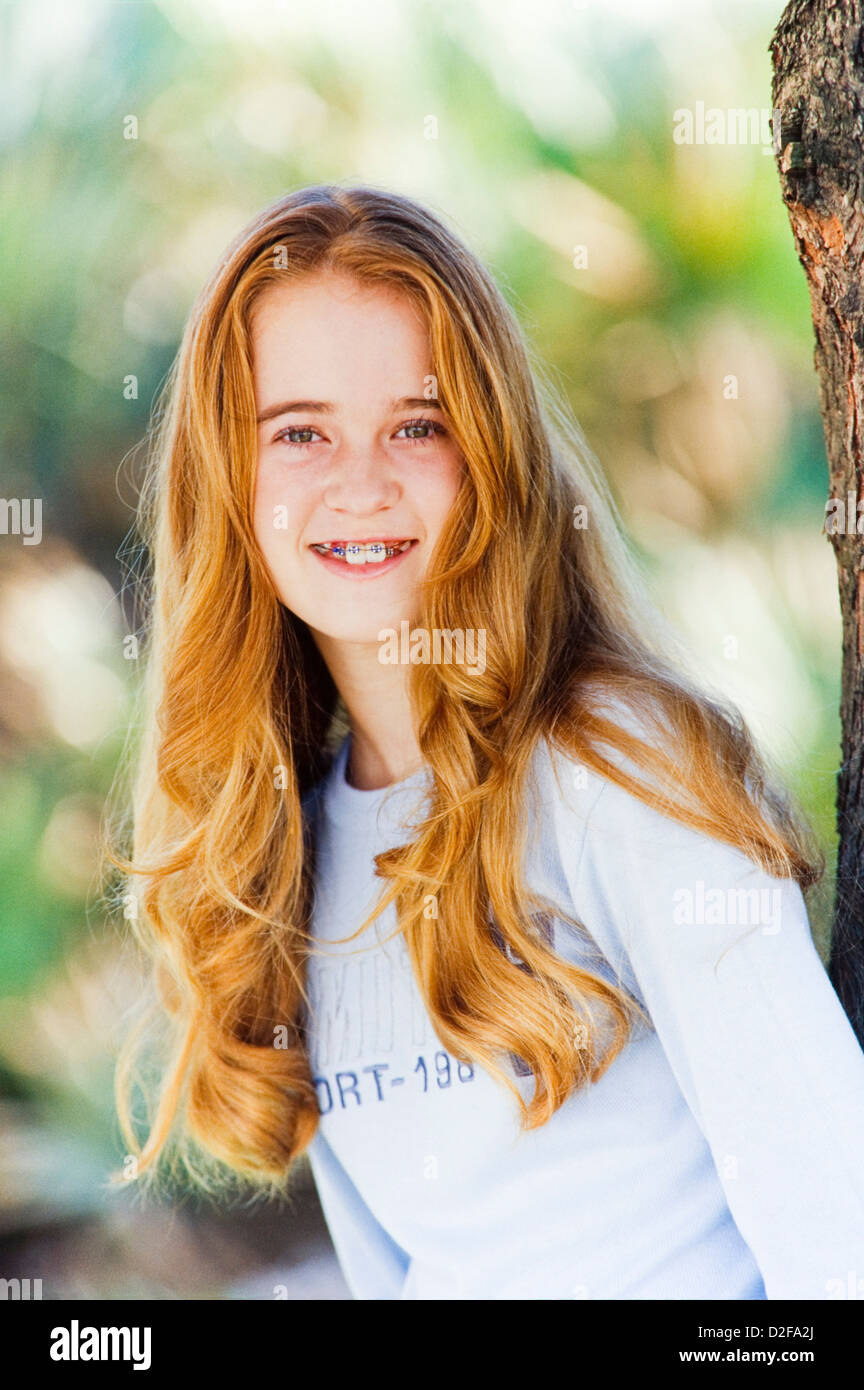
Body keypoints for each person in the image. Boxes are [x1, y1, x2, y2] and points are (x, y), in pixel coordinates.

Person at [104, 183, 864, 1300]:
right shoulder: (288, 850)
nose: (362, 483)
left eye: (417, 423)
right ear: (230, 480)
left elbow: (834, 1209)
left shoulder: (621, 766)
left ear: (490, 450)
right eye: (300, 432)